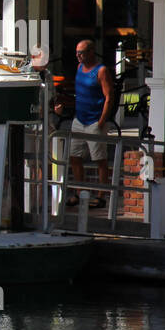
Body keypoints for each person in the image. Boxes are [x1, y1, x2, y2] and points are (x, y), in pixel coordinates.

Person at [67, 39, 113, 207]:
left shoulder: (101, 71)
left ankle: (101, 195)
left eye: (82, 52)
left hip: (95, 121)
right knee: (74, 156)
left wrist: (102, 120)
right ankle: (79, 192)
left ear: (91, 52)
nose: (78, 56)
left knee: (99, 159)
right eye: (77, 53)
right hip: (79, 119)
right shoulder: (79, 67)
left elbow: (109, 96)